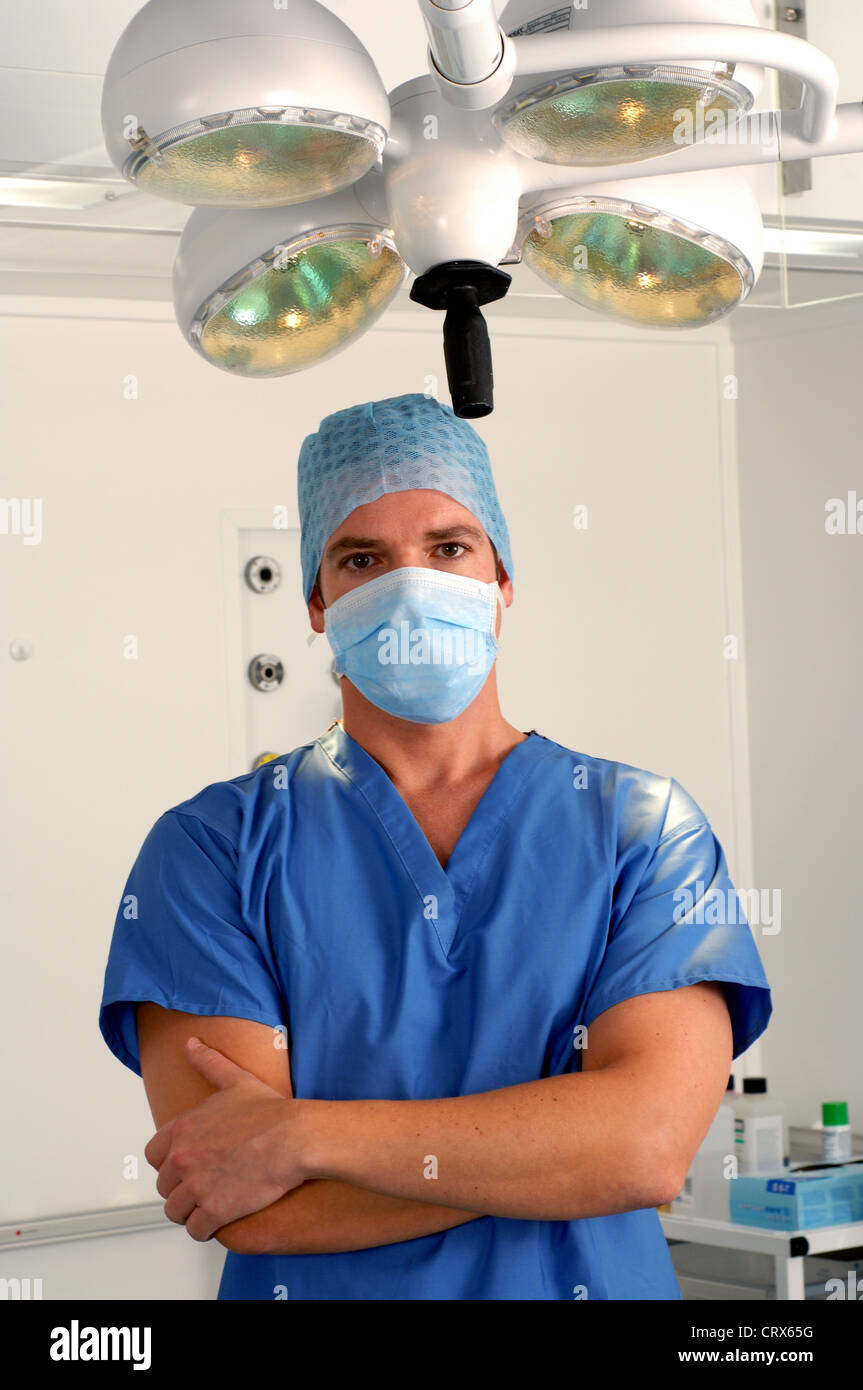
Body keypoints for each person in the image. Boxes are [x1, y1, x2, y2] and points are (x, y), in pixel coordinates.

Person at [99, 392, 772, 1301]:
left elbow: (644, 1149)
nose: (411, 586)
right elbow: (246, 1204)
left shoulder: (642, 829)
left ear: (502, 580)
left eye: (449, 548)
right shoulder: (211, 850)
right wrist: (558, 1156)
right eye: (362, 559)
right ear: (316, 602)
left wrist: (304, 1136)